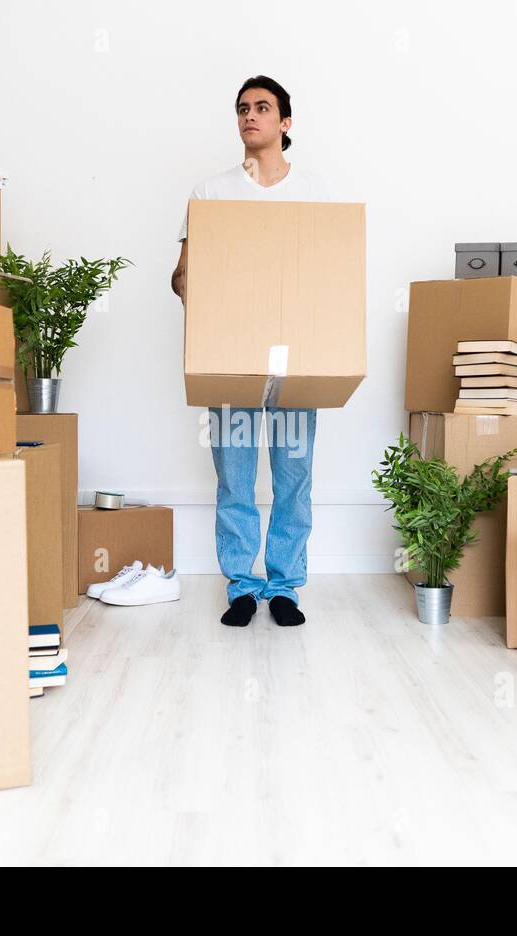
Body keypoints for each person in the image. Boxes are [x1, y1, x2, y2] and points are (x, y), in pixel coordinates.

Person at [171, 75, 331, 628]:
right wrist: (196, 286)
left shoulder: (312, 195)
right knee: (235, 476)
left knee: (293, 474)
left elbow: (328, 277)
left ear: (285, 124)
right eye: (243, 108)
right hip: (232, 355)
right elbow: (181, 276)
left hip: (295, 357)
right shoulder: (210, 193)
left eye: (263, 108)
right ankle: (242, 585)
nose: (250, 116)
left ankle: (285, 587)